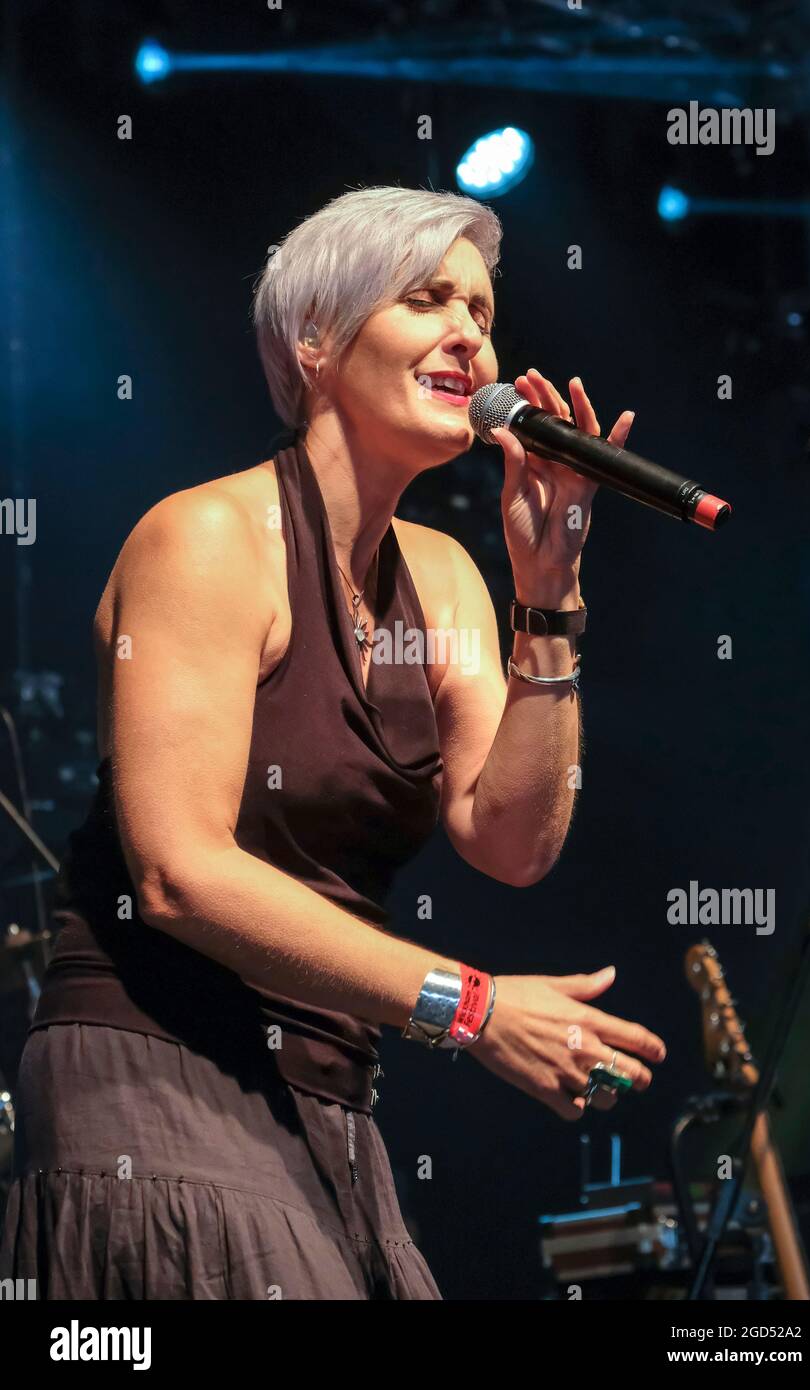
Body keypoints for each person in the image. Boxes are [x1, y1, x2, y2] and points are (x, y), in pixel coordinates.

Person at [0, 185, 665, 1300]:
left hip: (328, 1090)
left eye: (482, 311)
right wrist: (477, 1007)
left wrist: (550, 600)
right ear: (315, 341)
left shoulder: (445, 577)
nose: (470, 332)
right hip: (156, 1070)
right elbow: (177, 872)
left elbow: (510, 841)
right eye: (427, 299)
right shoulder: (206, 538)